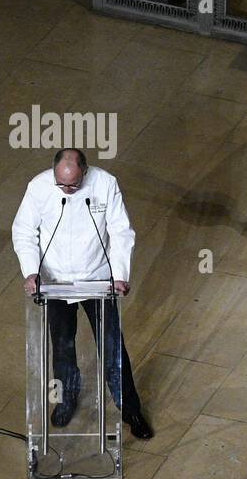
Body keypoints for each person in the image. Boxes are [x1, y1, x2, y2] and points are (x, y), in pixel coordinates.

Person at [10, 149, 153, 440]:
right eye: (61, 184)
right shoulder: (38, 188)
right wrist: (30, 271)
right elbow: (24, 231)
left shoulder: (105, 184)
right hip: (56, 282)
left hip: (97, 280)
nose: (67, 190)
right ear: (54, 173)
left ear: (84, 173)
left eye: (73, 185)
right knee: (62, 347)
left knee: (113, 349)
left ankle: (130, 410)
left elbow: (121, 231)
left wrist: (119, 275)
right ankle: (66, 399)